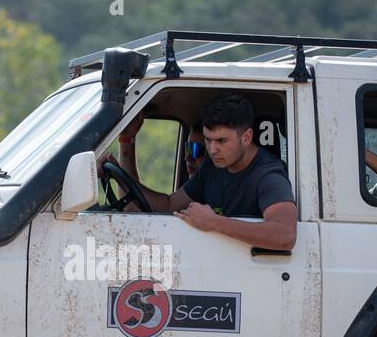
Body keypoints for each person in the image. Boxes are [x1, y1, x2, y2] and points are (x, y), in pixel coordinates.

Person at [98, 94, 297, 251]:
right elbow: (167, 205)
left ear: (246, 137)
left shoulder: (268, 176)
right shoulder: (214, 166)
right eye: (208, 140)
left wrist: (215, 223)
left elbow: (285, 235)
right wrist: (116, 172)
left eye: (221, 141)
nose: (212, 149)